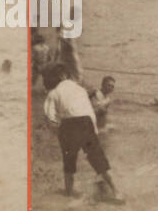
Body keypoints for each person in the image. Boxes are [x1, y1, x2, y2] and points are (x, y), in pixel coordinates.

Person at [42, 63, 119, 200]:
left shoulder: (53, 93)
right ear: (66, 76)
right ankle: (117, 193)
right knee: (100, 162)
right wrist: (94, 132)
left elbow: (50, 118)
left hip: (68, 125)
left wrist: (56, 133)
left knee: (69, 164)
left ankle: (69, 194)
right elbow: (90, 113)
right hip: (86, 123)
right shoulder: (80, 90)